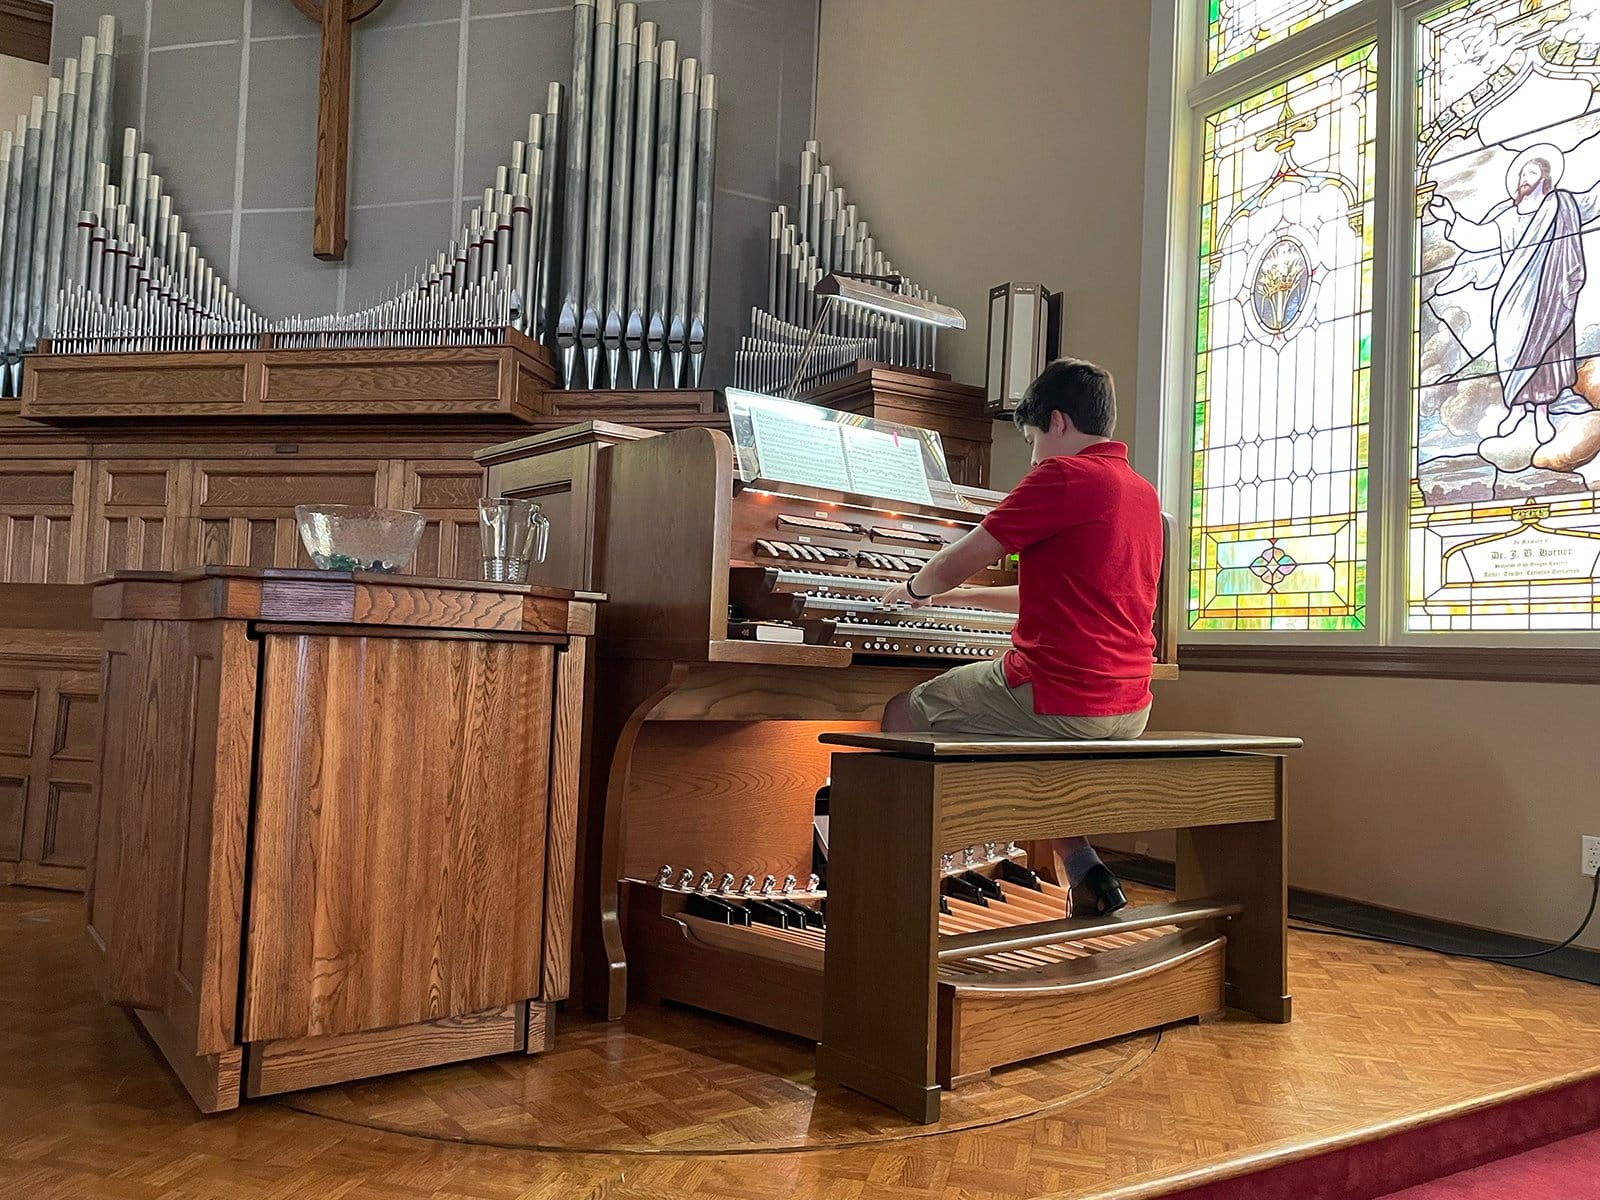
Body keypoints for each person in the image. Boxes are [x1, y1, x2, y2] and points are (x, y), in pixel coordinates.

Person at [877, 357, 1163, 916]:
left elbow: (960, 558)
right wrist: (954, 600)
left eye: (1032, 438)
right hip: (1129, 702)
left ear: (1056, 422)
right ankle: (1088, 874)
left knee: (899, 714)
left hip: (1064, 696)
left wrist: (914, 589)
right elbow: (1057, 591)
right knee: (1024, 738)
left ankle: (894, 889)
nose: (1031, 455)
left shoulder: (1062, 476)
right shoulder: (1140, 492)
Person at [1428, 144, 1600, 464]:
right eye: (1522, 173)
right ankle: (1517, 410)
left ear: (1545, 178)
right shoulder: (1509, 218)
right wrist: (1451, 217)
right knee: (1512, 355)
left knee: (1547, 355)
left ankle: (1541, 415)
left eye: (1532, 173)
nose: (1525, 178)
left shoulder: (1562, 206)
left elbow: (1591, 202)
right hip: (1513, 302)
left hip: (1551, 300)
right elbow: (1481, 238)